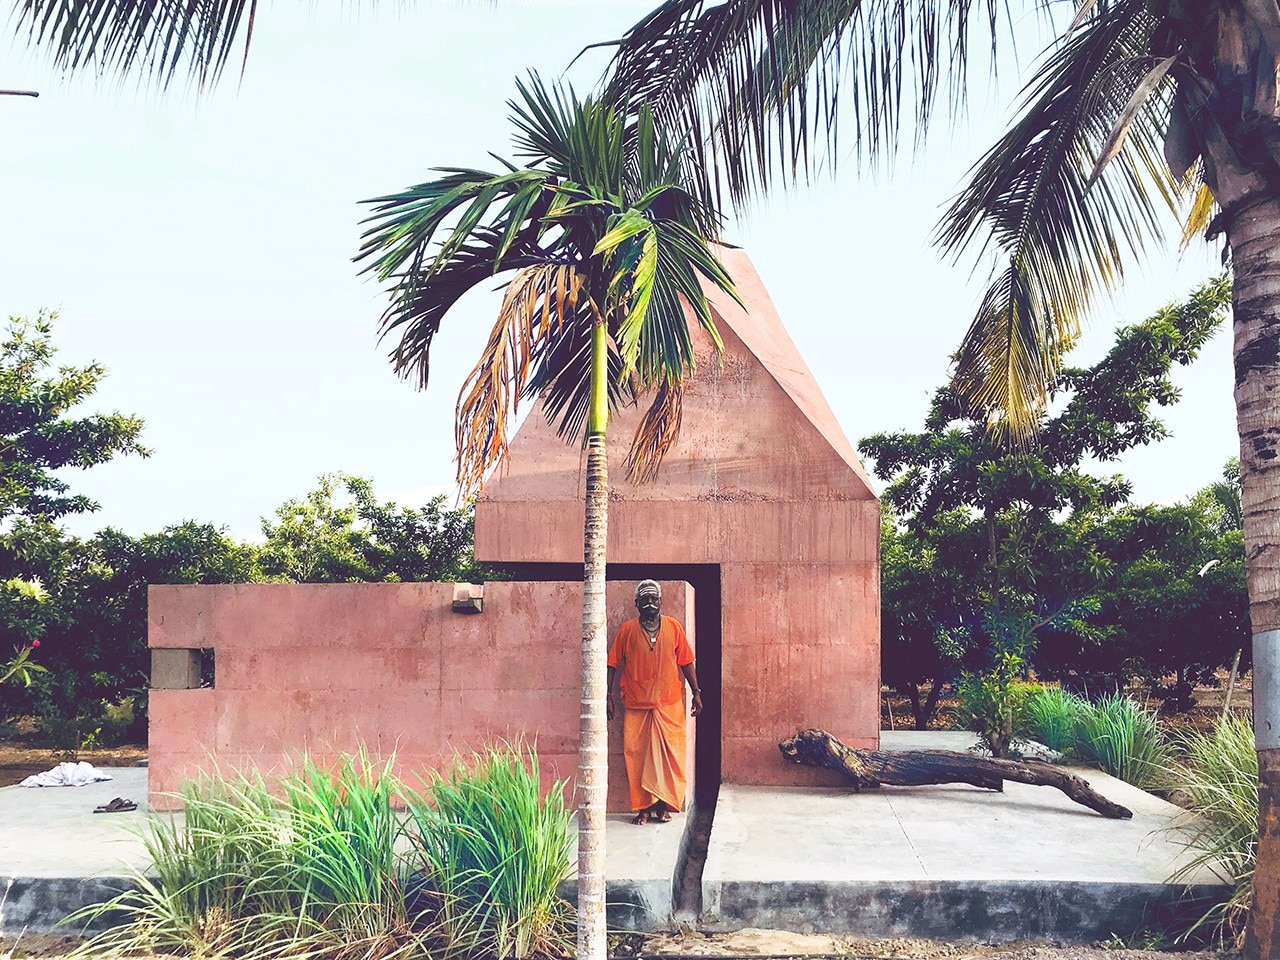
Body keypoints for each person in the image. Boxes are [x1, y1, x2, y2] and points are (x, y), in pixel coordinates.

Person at [606, 579, 702, 824]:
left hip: (669, 706)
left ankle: (663, 806)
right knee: (638, 759)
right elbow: (612, 664)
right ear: (636, 603)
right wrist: (608, 696)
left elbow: (686, 662)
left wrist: (696, 691)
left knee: (670, 759)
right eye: (644, 599)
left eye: (653, 599)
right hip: (636, 706)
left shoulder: (673, 627)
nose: (649, 603)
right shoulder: (627, 630)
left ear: (660, 602)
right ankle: (644, 809)